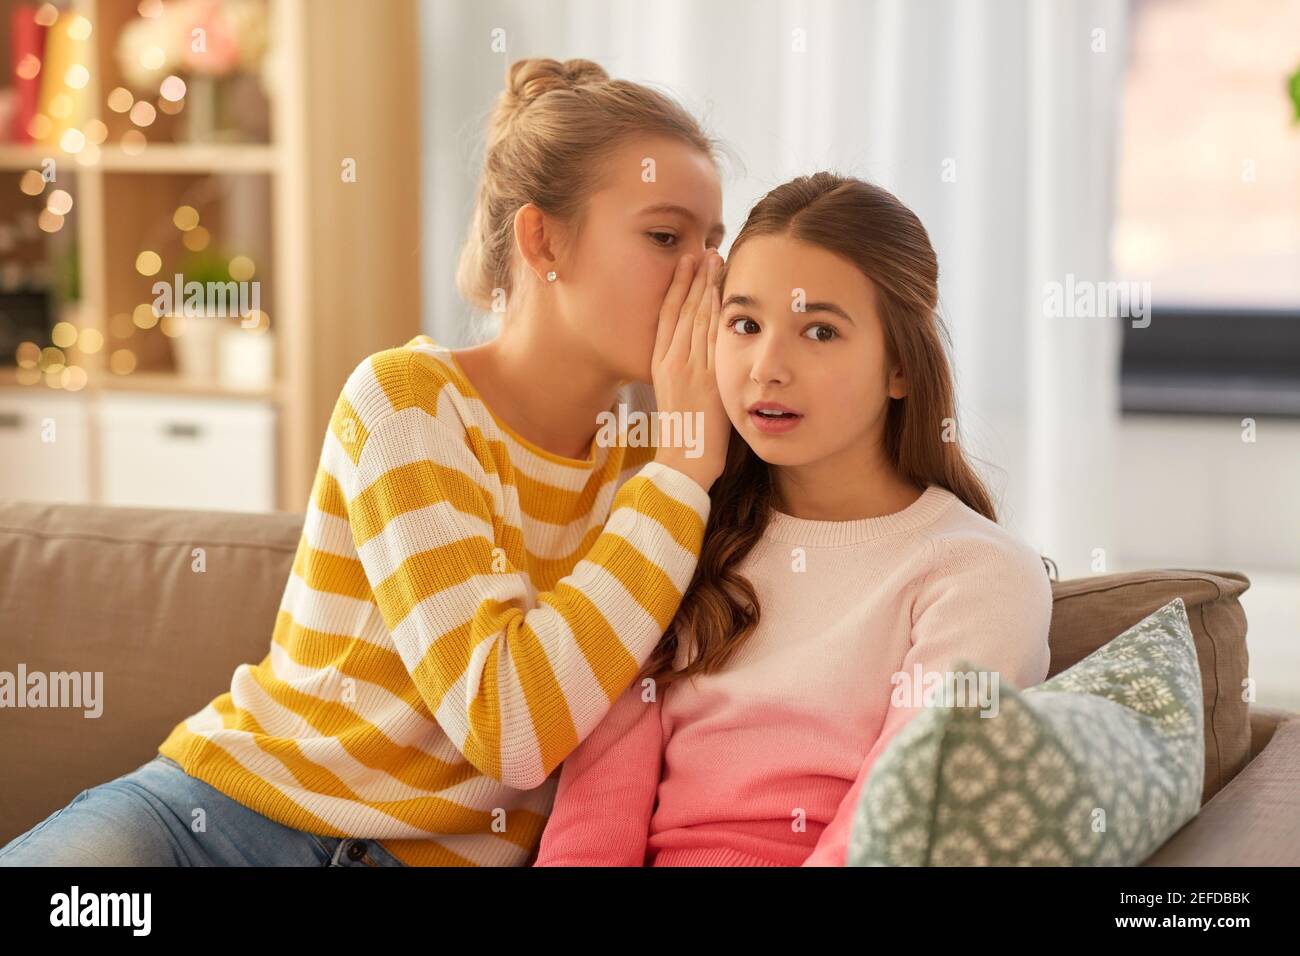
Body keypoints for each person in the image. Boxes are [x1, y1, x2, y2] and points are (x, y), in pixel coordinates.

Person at [0, 57, 731, 867]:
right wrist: (680, 476)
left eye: (713, 244)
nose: (705, 277)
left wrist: (685, 468)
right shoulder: (408, 401)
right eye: (666, 237)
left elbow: (528, 741)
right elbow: (508, 718)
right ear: (542, 238)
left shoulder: (667, 464)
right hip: (219, 823)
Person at [533, 173, 1054, 867]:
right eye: (745, 324)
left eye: (820, 331)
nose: (767, 367)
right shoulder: (671, 531)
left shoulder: (976, 574)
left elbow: (898, 823)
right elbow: (595, 816)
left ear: (901, 365)